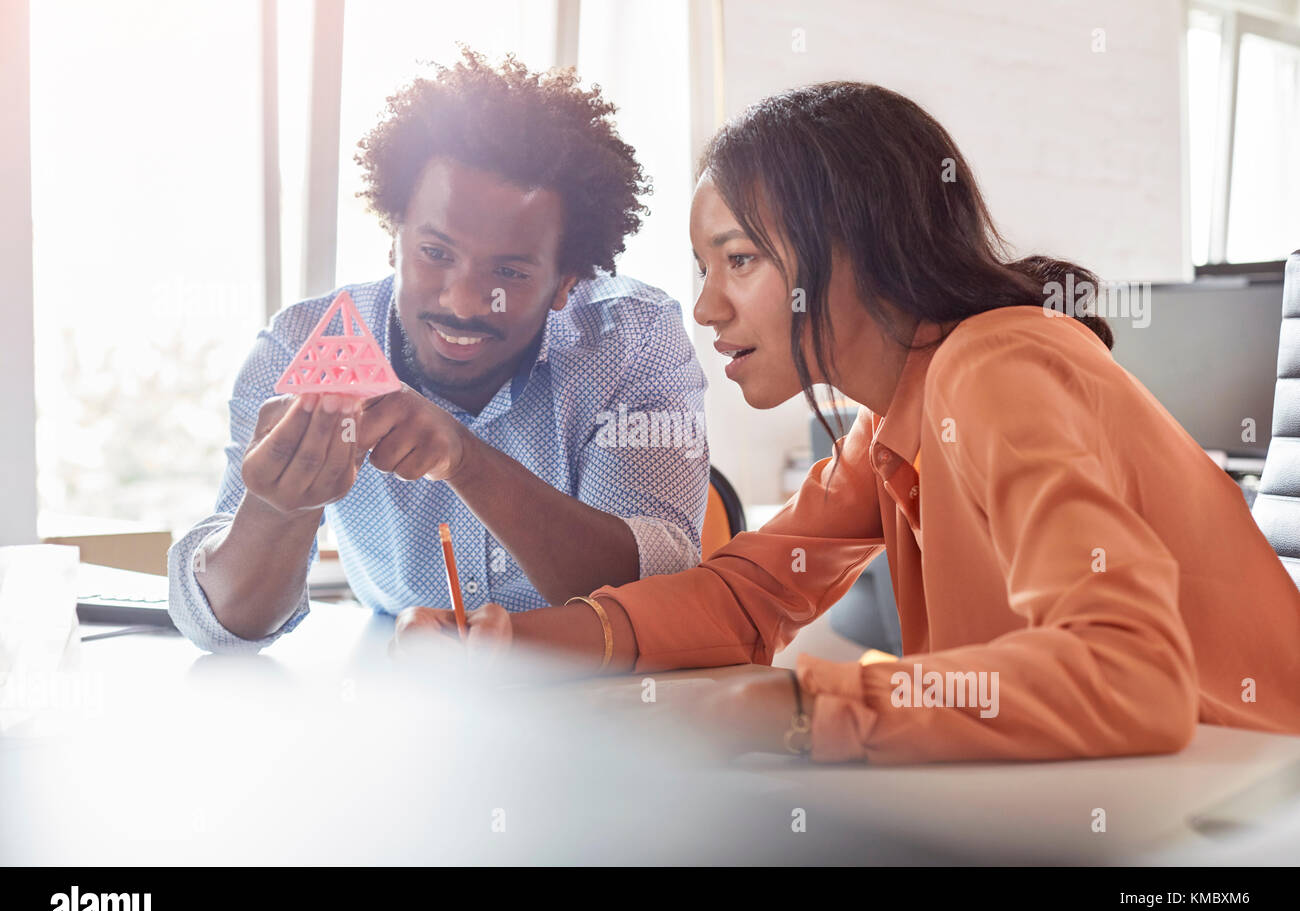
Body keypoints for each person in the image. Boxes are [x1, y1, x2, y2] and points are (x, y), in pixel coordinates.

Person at [396, 81, 1300, 764]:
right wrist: (509, 643)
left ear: (858, 248)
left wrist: (800, 709)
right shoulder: (894, 421)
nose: (705, 308)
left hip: (1245, 803)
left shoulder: (996, 366)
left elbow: (1131, 676)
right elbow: (744, 598)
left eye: (738, 260)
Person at [168, 51, 709, 653]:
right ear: (393, 240)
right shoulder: (302, 344)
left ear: (567, 281)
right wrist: (277, 509)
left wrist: (467, 460)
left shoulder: (634, 340)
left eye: (509, 271)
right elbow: (225, 628)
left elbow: (658, 595)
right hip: (401, 687)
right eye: (435, 253)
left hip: (596, 689)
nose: (463, 302)